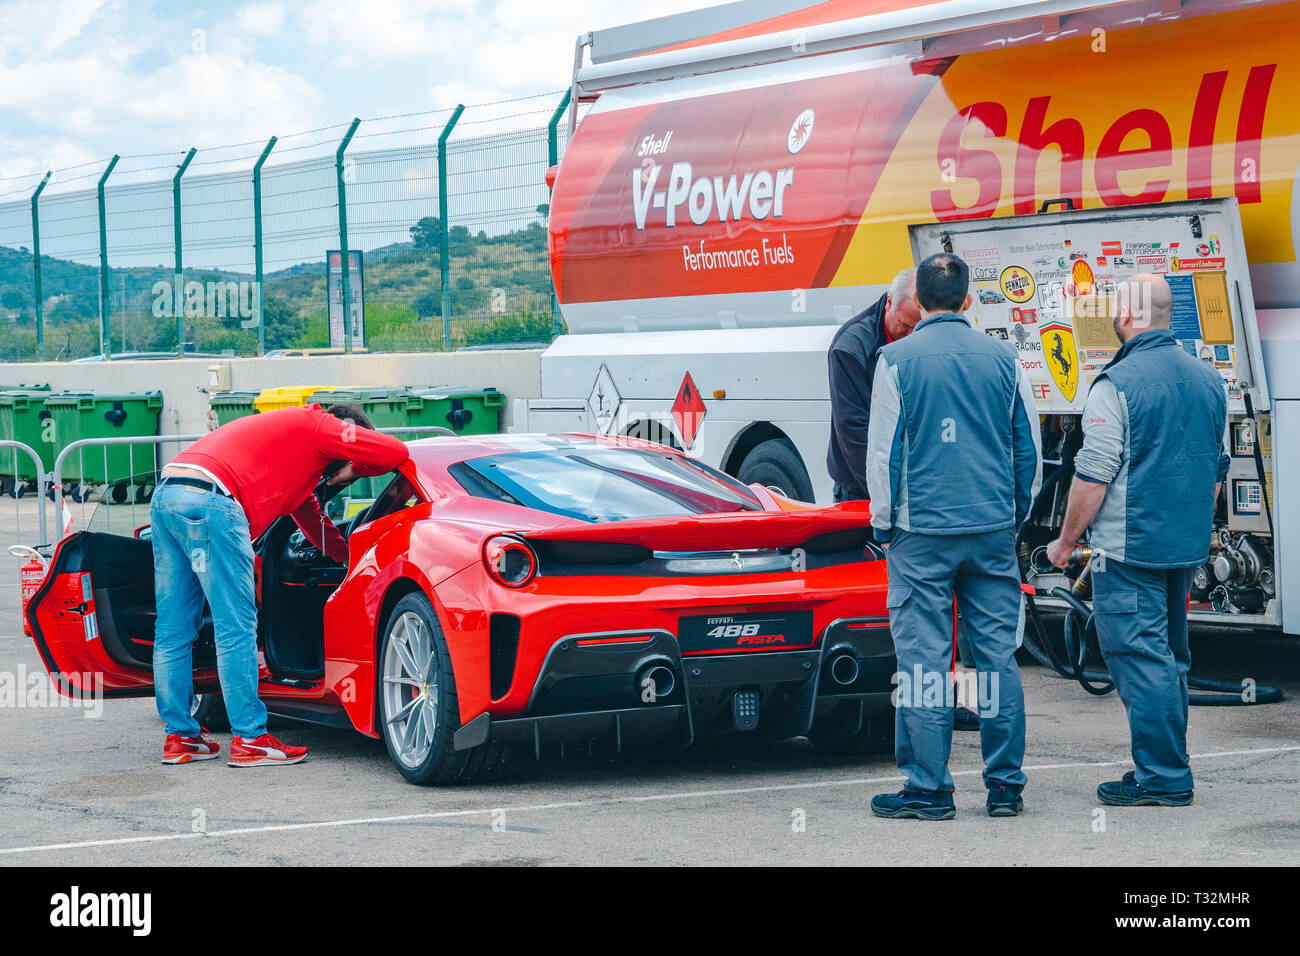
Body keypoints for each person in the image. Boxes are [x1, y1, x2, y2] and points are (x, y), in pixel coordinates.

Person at [865, 253, 1042, 820]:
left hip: (920, 533)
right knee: (997, 658)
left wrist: (884, 526)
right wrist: (1014, 517)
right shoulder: (1006, 359)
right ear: (969, 300)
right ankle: (1005, 787)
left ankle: (929, 788)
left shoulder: (895, 360)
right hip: (992, 530)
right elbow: (1028, 450)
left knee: (923, 661)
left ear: (917, 300)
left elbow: (882, 456)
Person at [1046, 274, 1229, 807]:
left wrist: (1064, 543)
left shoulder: (1115, 385)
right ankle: (1165, 763)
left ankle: (1164, 778)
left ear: (1126, 316)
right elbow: (1216, 469)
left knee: (1137, 656)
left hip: (1129, 550)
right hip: (1183, 546)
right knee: (1169, 656)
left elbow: (1093, 475)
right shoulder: (1209, 380)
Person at [152, 402, 410, 768]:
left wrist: (345, 557)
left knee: (173, 629)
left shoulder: (296, 459)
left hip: (168, 493)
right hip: (214, 501)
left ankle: (181, 738)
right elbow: (394, 451)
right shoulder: (320, 423)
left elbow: (311, 519)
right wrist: (353, 468)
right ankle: (250, 740)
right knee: (236, 627)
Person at [825, 269, 981, 732]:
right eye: (907, 325)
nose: (914, 334)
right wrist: (889, 510)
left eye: (920, 325)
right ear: (889, 305)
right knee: (890, 603)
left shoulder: (928, 341)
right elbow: (858, 438)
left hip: (925, 496)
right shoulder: (851, 347)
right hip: (867, 493)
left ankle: (946, 700)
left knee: (942, 606)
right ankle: (884, 699)